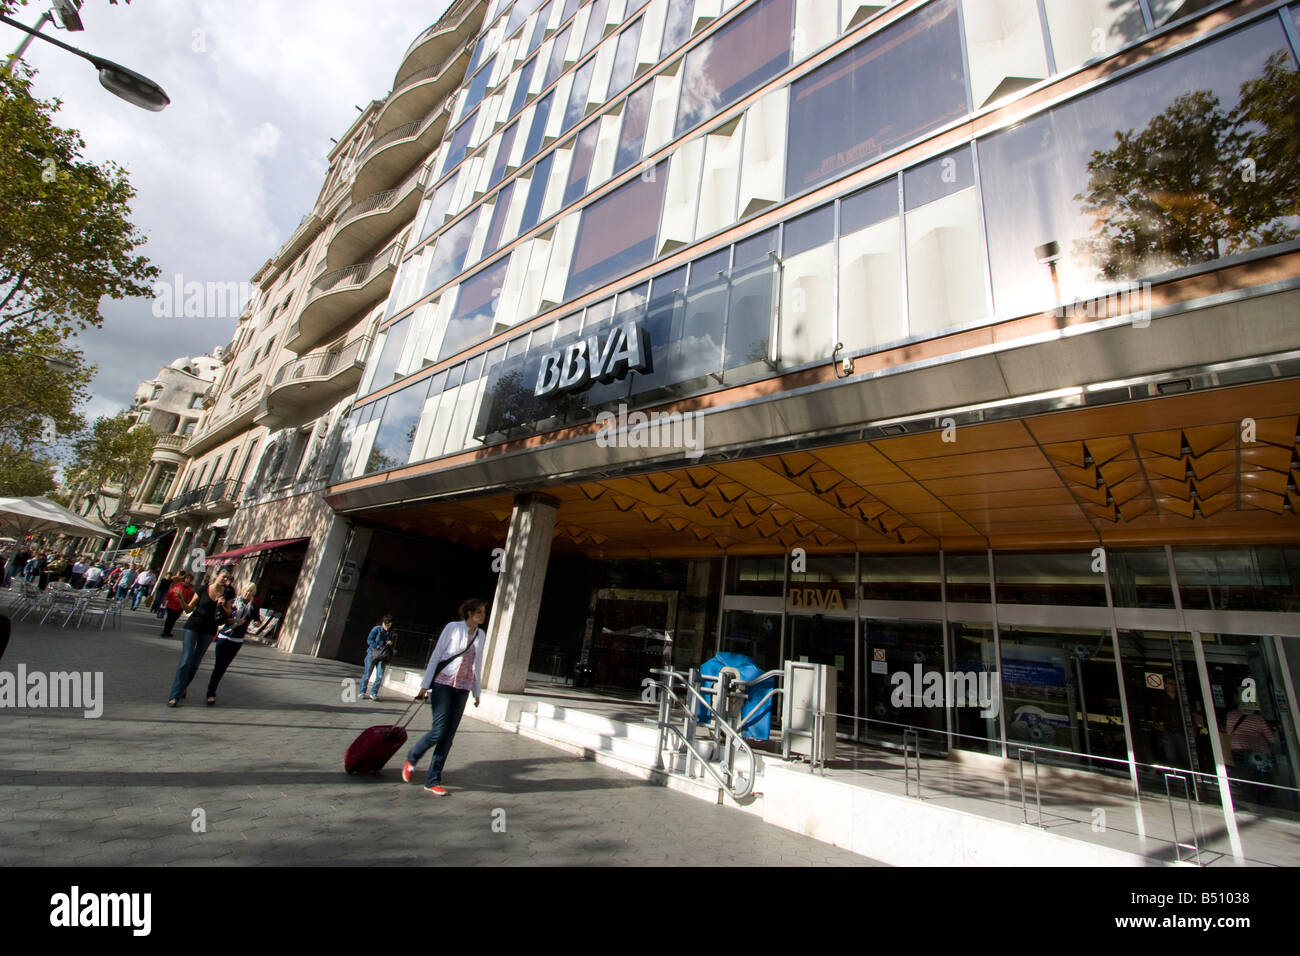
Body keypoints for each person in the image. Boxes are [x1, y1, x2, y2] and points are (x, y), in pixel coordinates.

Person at [401, 599, 486, 795]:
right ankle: (413, 756)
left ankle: (432, 780)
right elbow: (437, 655)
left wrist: (477, 691)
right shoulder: (453, 628)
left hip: (463, 687)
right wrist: (424, 686)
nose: (483, 616)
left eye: (483, 612)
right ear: (469, 613)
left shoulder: (481, 634)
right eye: (480, 612)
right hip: (443, 683)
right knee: (439, 731)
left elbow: (477, 663)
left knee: (448, 736)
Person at [167, 565, 234, 707]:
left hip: (209, 629)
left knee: (196, 662)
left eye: (228, 578)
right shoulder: (203, 589)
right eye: (224, 577)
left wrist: (222, 605)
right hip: (194, 626)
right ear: (217, 576)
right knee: (186, 660)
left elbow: (228, 613)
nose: (225, 580)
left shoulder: (228, 593)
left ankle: (184, 686)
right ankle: (174, 695)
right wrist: (180, 599)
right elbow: (189, 609)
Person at [204, 583, 260, 705]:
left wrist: (256, 623)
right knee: (218, 665)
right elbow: (223, 618)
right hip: (224, 637)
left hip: (237, 640)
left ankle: (212, 690)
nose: (248, 593)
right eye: (246, 590)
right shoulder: (233, 602)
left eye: (251, 591)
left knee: (223, 667)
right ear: (242, 590)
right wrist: (235, 620)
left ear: (253, 593)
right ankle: (211, 693)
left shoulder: (253, 607)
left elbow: (257, 620)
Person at [359, 615, 396, 701]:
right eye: (387, 624)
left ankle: (374, 693)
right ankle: (362, 691)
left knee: (380, 675)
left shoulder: (391, 632)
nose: (388, 627)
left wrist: (390, 643)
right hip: (373, 653)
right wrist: (378, 646)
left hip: (383, 656)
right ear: (383, 622)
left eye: (390, 625)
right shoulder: (376, 629)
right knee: (367, 673)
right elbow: (369, 640)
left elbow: (391, 642)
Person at [161, 573, 195, 637]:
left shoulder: (191, 587)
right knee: (169, 618)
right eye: (187, 578)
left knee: (174, 619)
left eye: (190, 579)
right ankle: (165, 631)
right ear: (184, 579)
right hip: (172, 604)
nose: (188, 580)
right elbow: (171, 592)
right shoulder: (178, 585)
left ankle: (168, 631)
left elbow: (191, 597)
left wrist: (189, 605)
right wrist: (165, 600)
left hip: (181, 606)